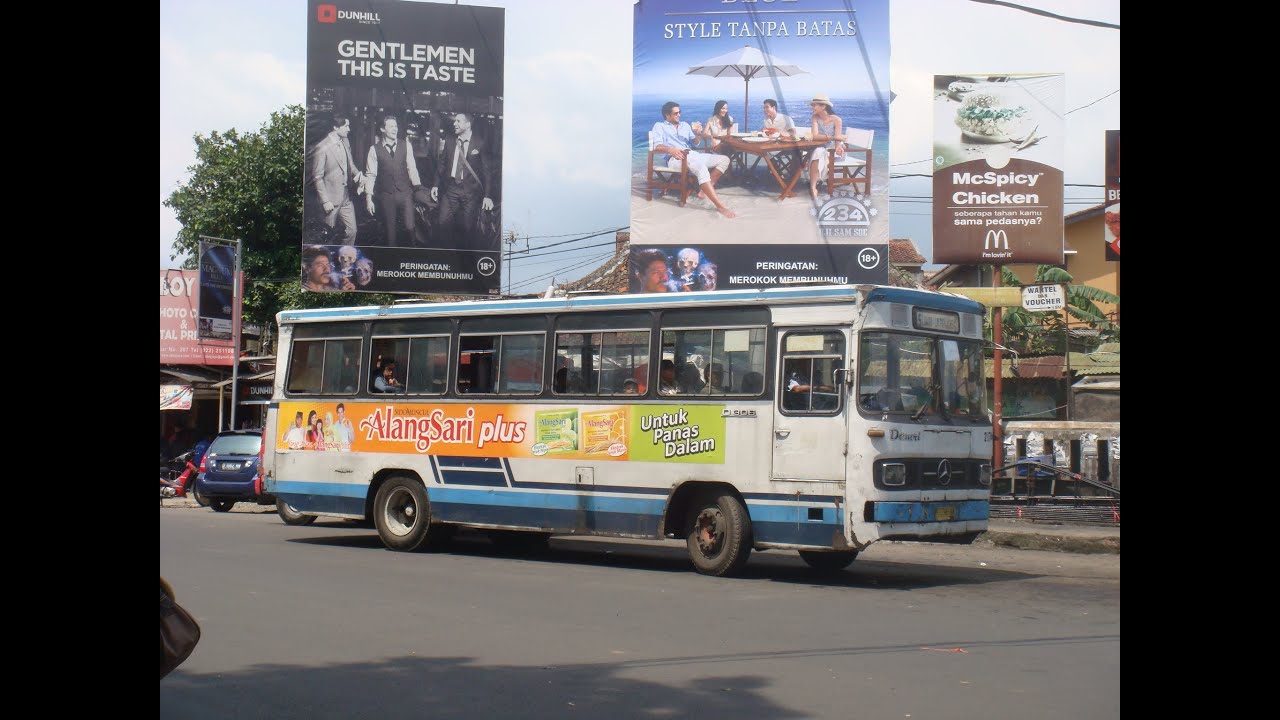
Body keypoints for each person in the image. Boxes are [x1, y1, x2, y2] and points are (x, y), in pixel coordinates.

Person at [651, 102, 736, 219]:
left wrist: (699, 134)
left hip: (692, 154)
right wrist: (670, 149)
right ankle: (720, 206)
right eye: (676, 113)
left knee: (724, 159)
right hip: (675, 158)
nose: (679, 115)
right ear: (667, 115)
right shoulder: (659, 126)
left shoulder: (685, 125)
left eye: (679, 112)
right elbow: (657, 146)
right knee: (701, 168)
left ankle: (705, 189)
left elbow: (695, 142)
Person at [432, 112, 494, 249]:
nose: (454, 124)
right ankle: (446, 255)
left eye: (458, 121)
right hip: (451, 189)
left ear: (467, 124)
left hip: (471, 192)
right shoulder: (449, 141)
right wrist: (435, 185)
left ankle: (464, 258)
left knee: (467, 228)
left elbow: (487, 172)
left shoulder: (480, 143)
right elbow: (441, 164)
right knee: (442, 223)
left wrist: (488, 196)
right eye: (455, 121)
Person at [365, 114, 424, 247]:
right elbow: (371, 174)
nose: (395, 129)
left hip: (405, 193)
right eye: (391, 126)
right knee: (390, 233)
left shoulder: (406, 145)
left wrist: (418, 187)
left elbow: (412, 168)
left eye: (396, 126)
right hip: (386, 195)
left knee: (410, 226)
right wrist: (368, 198)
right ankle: (392, 258)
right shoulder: (374, 150)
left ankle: (413, 253)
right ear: (382, 129)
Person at [310, 114, 363, 244]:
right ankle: (327, 263)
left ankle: (345, 258)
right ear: (335, 127)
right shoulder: (322, 147)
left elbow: (350, 164)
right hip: (330, 201)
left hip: (346, 197)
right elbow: (317, 177)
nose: (349, 129)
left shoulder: (345, 141)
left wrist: (360, 177)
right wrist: (325, 201)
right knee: (327, 236)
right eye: (346, 126)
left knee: (352, 231)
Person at [807, 93, 845, 201]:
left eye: (815, 105)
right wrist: (832, 137)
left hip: (834, 148)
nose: (812, 107)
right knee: (818, 151)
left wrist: (838, 145)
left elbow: (838, 139)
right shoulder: (815, 117)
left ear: (823, 106)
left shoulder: (837, 119)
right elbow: (814, 136)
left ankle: (813, 186)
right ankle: (813, 187)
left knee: (818, 152)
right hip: (820, 146)